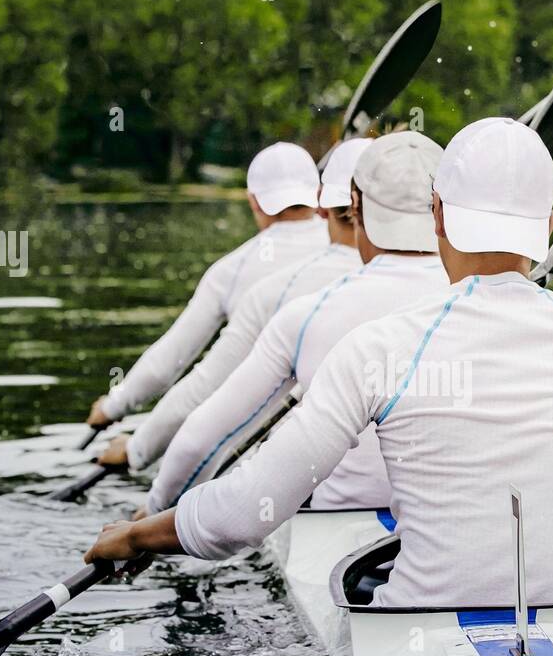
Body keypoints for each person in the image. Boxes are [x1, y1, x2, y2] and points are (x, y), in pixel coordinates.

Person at [85, 117, 553, 609]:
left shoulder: (377, 348)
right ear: (549, 226)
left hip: (410, 628)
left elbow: (240, 518)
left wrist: (140, 535)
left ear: (439, 215)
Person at [140, 130, 450, 515]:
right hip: (451, 527)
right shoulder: (485, 297)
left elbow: (195, 441)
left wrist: (153, 517)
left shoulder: (306, 313)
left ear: (353, 207)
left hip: (335, 524)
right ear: (441, 209)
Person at [96, 139, 371, 472]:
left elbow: (175, 366)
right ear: (318, 197)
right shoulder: (363, 247)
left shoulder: (233, 271)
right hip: (356, 446)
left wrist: (119, 417)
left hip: (274, 456)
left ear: (253, 201)